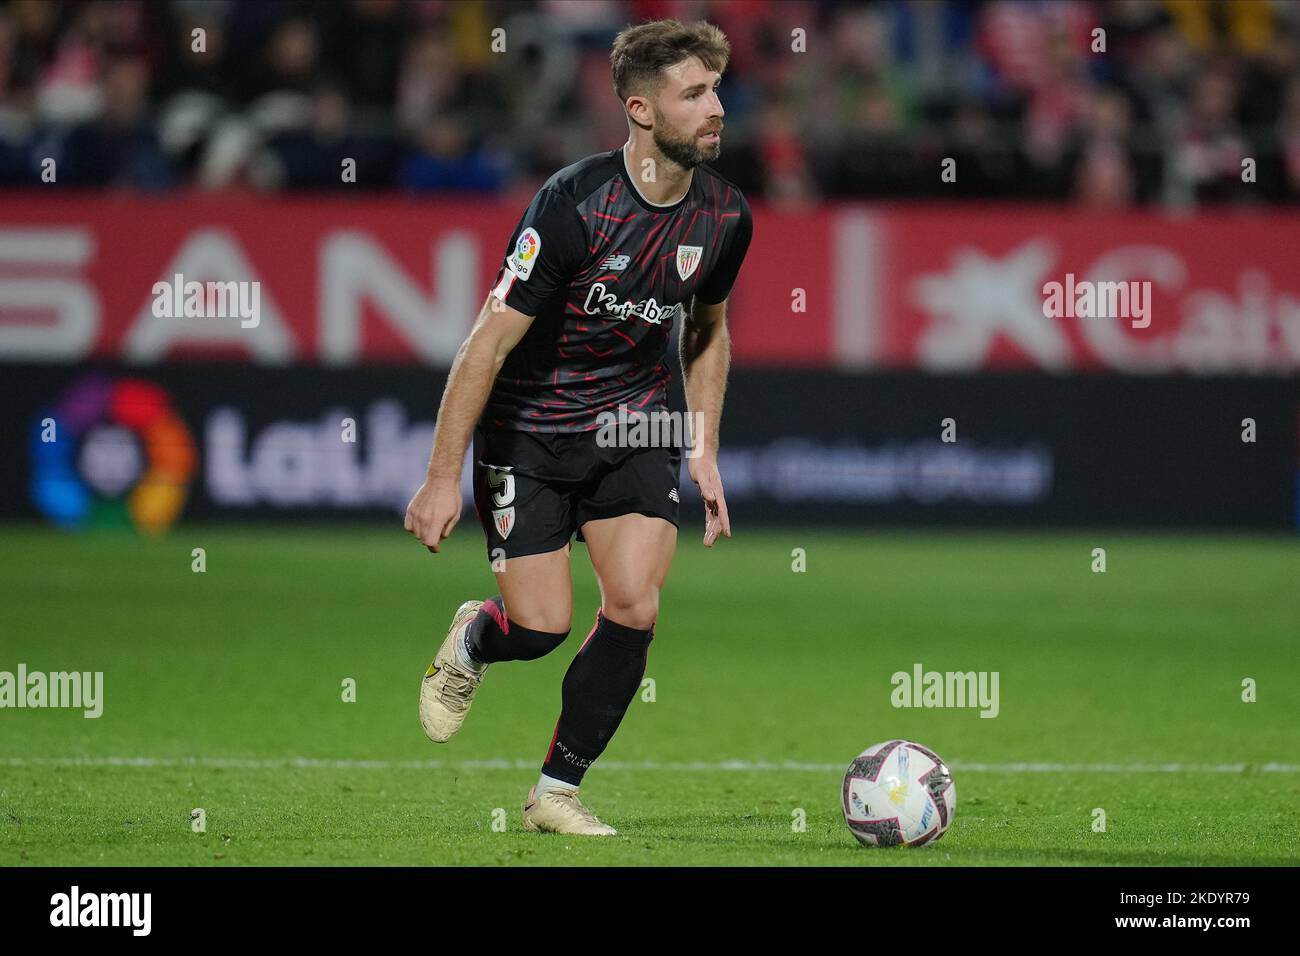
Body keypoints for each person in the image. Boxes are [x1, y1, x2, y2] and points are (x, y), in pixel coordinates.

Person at [404, 18, 752, 836]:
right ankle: (475, 638)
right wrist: (437, 476)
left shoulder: (726, 217)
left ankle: (555, 793)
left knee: (634, 603)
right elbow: (485, 344)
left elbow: (707, 331)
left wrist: (701, 447)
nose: (717, 109)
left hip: (638, 423)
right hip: (531, 431)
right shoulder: (572, 205)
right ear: (639, 109)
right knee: (542, 626)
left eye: (716, 90)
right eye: (694, 94)